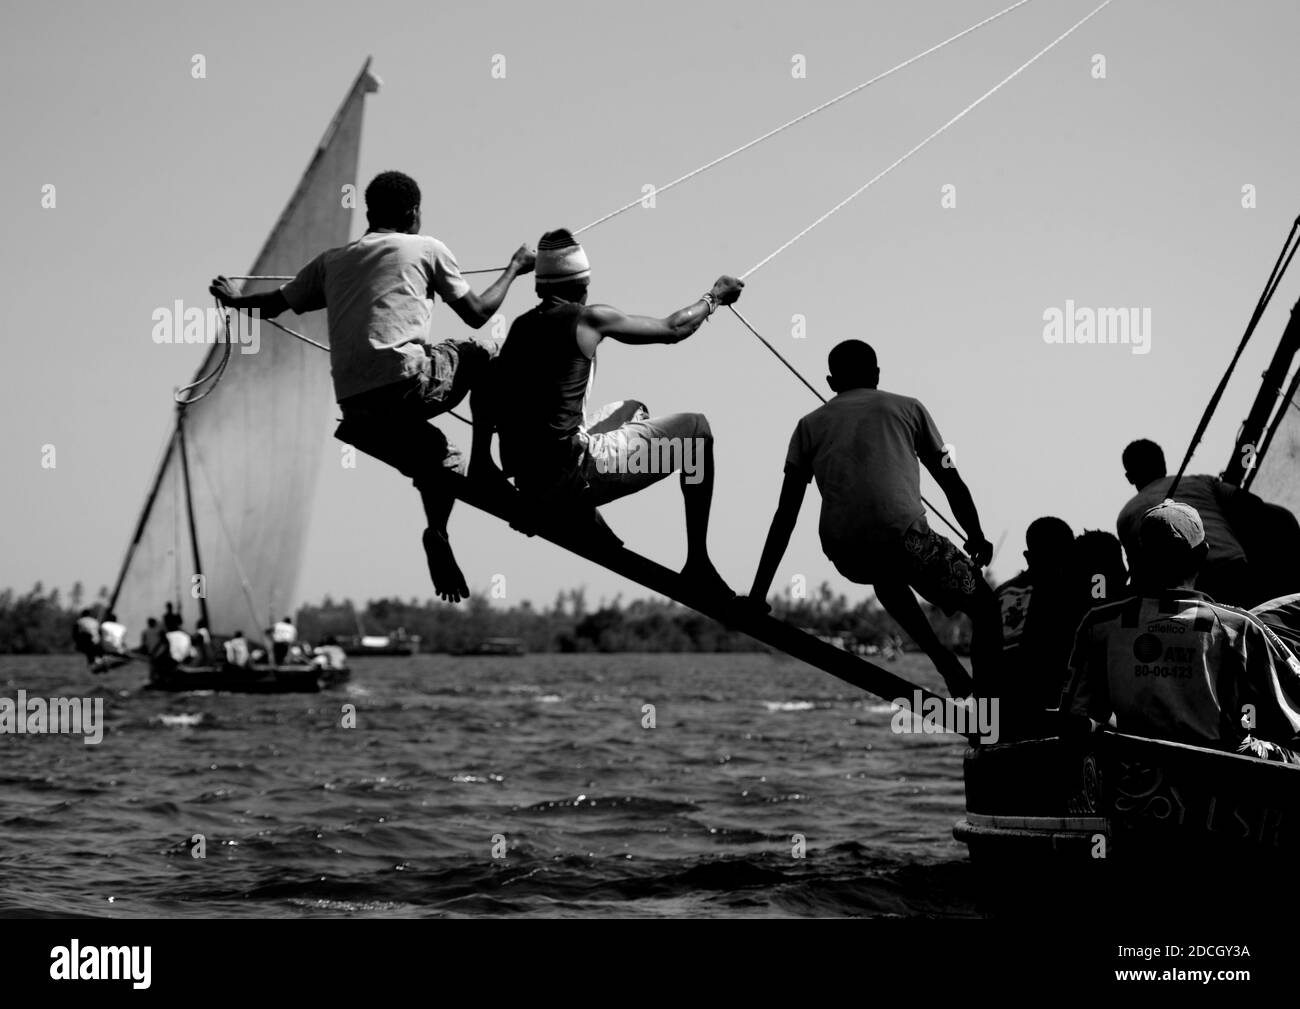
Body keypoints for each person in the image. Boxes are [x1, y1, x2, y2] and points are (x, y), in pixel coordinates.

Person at [210, 170, 535, 603]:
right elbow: (477, 312)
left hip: (358, 406)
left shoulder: (331, 261)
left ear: (367, 212)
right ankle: (487, 468)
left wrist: (234, 300)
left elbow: (272, 307)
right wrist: (515, 268)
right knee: (479, 355)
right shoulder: (426, 248)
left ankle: (437, 531)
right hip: (408, 385)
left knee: (440, 460)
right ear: (414, 213)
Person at [477, 228, 743, 597]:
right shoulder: (588, 319)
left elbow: (494, 399)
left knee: (634, 409)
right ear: (582, 283)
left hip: (529, 475)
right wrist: (714, 297)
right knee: (697, 432)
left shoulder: (520, 328)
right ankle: (698, 561)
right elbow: (673, 329)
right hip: (573, 473)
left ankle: (580, 515)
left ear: (539, 288)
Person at [745, 340, 1001, 699]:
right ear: (877, 375)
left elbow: (785, 515)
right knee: (988, 610)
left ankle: (943, 660)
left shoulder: (808, 426)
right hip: (908, 540)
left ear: (831, 382)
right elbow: (950, 481)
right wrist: (976, 536)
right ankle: (993, 706)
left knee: (886, 575)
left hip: (846, 552)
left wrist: (758, 595)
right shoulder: (908, 408)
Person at [1061, 500, 1300, 761]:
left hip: (1132, 787)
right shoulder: (1238, 627)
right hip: (1217, 785)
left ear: (1139, 558)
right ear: (1202, 555)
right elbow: (1291, 712)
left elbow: (1075, 720)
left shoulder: (1101, 624)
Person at [1117, 439, 1276, 607]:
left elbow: (1139, 573)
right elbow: (1252, 505)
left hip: (1184, 592)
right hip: (1234, 570)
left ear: (1130, 477)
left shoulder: (1126, 515)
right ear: (1163, 464)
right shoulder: (1201, 483)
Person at [995, 517, 1081, 734]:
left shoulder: (999, 595)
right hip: (1046, 719)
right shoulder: (1068, 596)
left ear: (1027, 556)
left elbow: (981, 659)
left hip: (1001, 716)